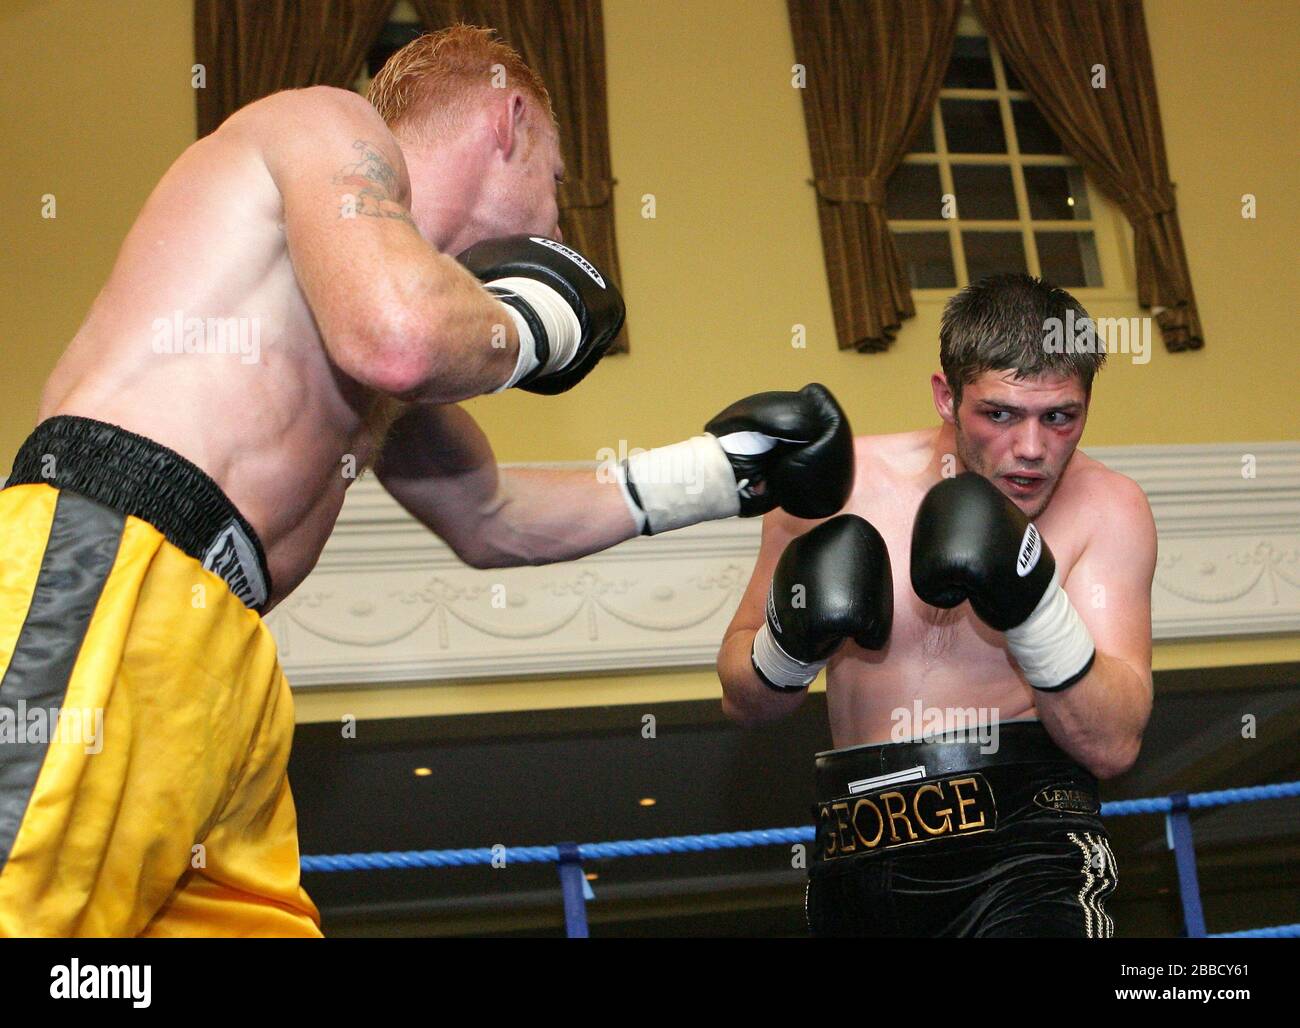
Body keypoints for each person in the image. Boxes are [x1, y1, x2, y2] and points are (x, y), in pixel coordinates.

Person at [0, 26, 852, 936]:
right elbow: (400, 338)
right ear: (507, 119)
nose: (559, 230)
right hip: (103, 564)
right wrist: (545, 325)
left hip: (222, 652)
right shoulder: (325, 127)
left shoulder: (372, 335)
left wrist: (725, 472)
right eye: (558, 183)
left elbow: (492, 518)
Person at [718, 274, 1157, 937]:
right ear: (946, 397)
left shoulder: (1108, 508)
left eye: (1059, 416)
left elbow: (1113, 742)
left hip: (1023, 846)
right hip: (853, 849)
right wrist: (788, 645)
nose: (1032, 449)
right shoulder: (840, 486)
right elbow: (744, 702)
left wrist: (1033, 606)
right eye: (1001, 414)